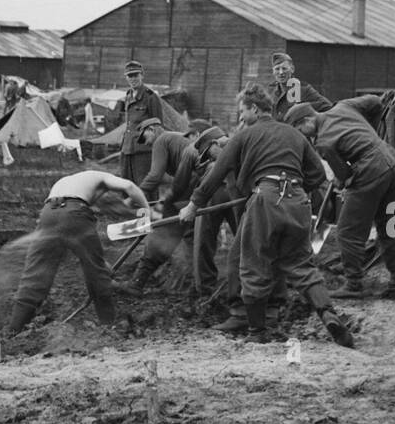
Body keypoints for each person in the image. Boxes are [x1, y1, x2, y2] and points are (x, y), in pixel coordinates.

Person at [181, 86, 354, 347]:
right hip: (298, 201)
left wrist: (193, 204)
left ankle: (257, 330)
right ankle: (328, 313)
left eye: (242, 111)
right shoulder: (295, 135)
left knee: (251, 262)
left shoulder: (244, 135)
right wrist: (293, 191)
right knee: (301, 265)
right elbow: (318, 173)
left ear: (254, 109)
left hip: (265, 199)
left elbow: (217, 173)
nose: (240, 117)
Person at [5, 171, 151, 334]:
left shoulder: (68, 182)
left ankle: (14, 331)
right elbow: (129, 185)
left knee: (35, 275)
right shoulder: (101, 176)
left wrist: (98, 260)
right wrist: (147, 210)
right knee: (97, 276)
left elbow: (69, 232)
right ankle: (109, 326)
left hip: (47, 214)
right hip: (75, 213)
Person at [287, 101, 395, 300]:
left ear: (308, 119)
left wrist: (341, 183)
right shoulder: (343, 107)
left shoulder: (323, 141)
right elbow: (374, 103)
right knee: (388, 228)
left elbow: (344, 173)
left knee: (347, 232)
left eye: (300, 129)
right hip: (391, 164)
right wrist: (370, 132)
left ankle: (354, 284)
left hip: (370, 170)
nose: (302, 134)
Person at [118, 118, 202, 295]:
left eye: (145, 137)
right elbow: (168, 178)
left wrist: (133, 197)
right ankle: (194, 277)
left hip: (192, 185)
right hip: (202, 185)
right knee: (192, 233)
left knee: (163, 231)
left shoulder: (161, 140)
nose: (147, 144)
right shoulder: (177, 139)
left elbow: (155, 176)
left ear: (153, 129)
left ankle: (137, 283)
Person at [188, 121, 235, 298]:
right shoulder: (241, 141)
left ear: (215, 144)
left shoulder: (218, 160)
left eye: (209, 153)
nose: (210, 158)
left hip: (219, 191)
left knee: (203, 239)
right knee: (246, 238)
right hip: (236, 192)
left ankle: (205, 287)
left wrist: (192, 204)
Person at [119, 61, 164, 186]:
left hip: (143, 150)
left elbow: (158, 126)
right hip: (127, 148)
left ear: (142, 75)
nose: (133, 79)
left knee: (145, 185)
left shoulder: (151, 97)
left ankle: (149, 206)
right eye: (130, 76)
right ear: (126, 77)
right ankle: (133, 206)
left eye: (136, 75)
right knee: (127, 184)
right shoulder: (128, 95)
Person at [269, 51, 333, 120]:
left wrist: (303, 109)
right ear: (273, 71)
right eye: (277, 69)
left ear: (292, 69)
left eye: (284, 68)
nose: (281, 72)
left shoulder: (303, 89)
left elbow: (327, 105)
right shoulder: (270, 91)